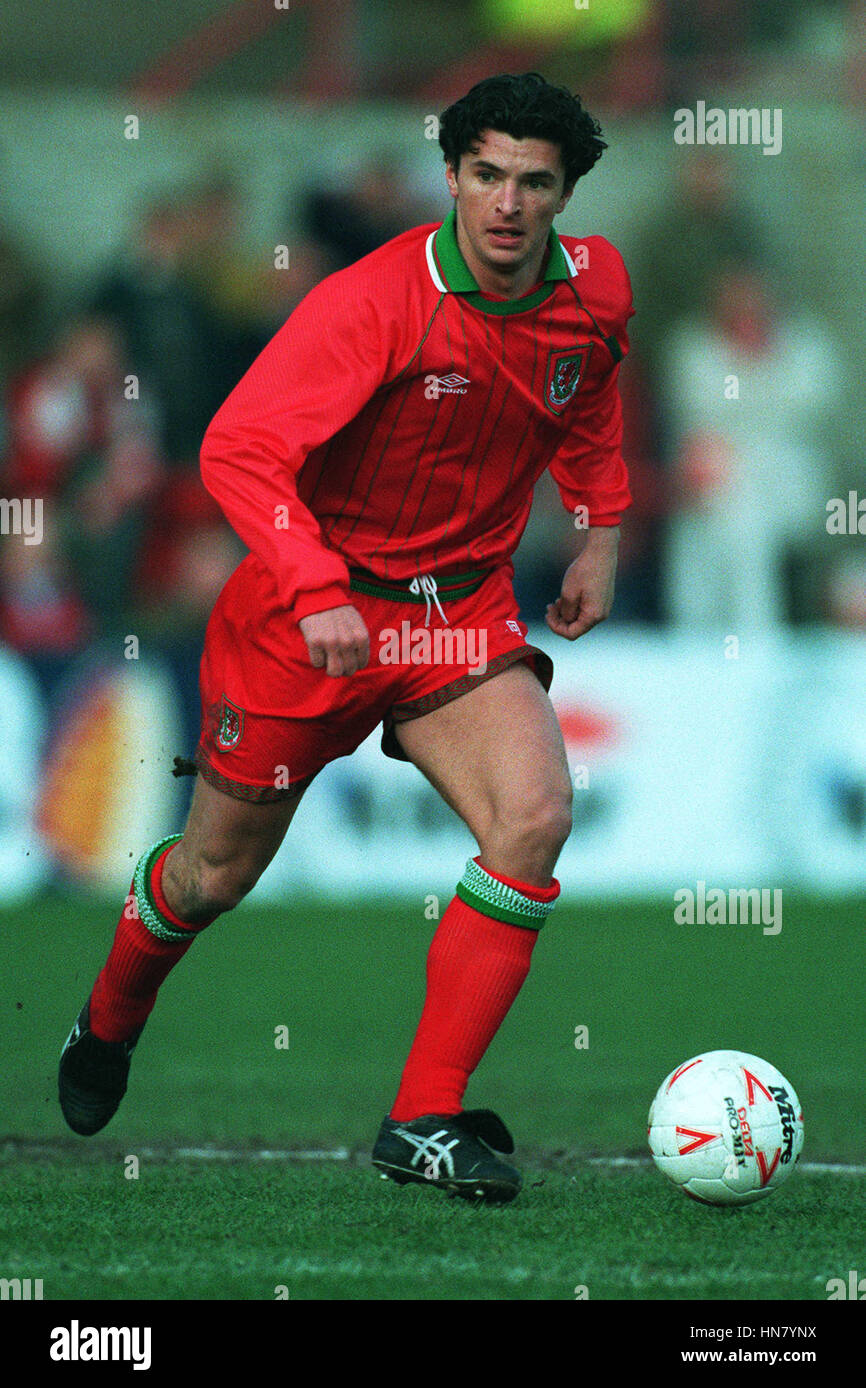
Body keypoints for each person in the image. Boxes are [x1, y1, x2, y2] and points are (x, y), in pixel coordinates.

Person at [59, 72, 633, 1204]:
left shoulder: (594, 289)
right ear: (451, 176)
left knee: (534, 814)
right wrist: (317, 583)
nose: (506, 203)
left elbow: (587, 397)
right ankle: (113, 1011)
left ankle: (421, 1117)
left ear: (563, 195)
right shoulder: (373, 304)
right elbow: (236, 447)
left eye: (532, 182)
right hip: (304, 620)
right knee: (213, 873)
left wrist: (600, 530)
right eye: (484, 175)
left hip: (457, 610)